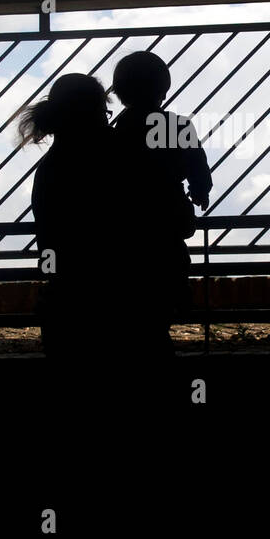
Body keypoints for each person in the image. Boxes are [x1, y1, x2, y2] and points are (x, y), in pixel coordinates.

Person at [109, 51, 214, 356]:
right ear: (163, 91)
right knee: (167, 287)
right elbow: (198, 167)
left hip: (127, 229)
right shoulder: (178, 127)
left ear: (119, 92)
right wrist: (199, 192)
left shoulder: (115, 133)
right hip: (169, 222)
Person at [20, 73, 118, 359]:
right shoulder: (119, 156)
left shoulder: (51, 169)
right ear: (94, 113)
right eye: (104, 110)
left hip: (67, 298)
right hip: (119, 297)